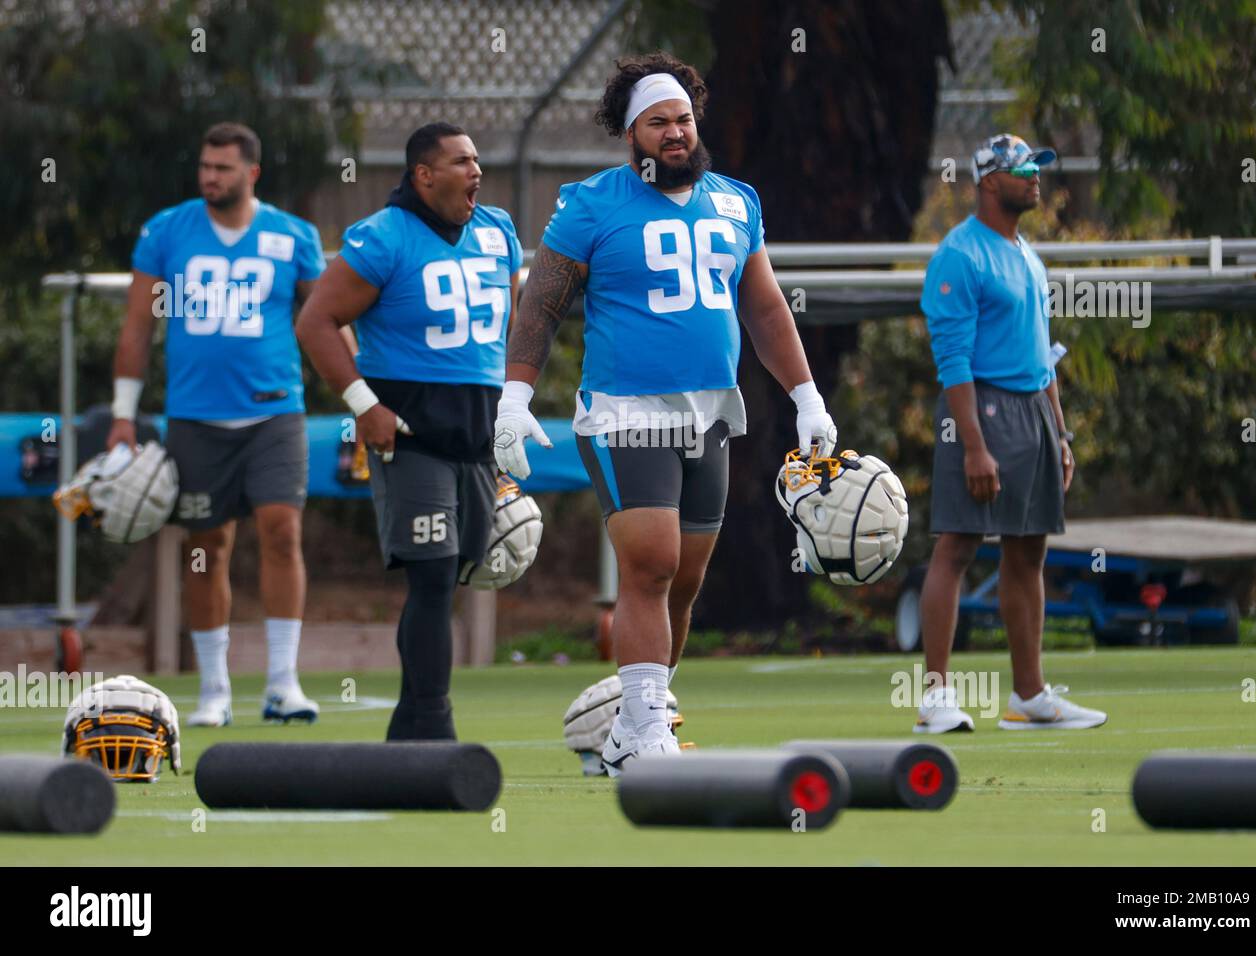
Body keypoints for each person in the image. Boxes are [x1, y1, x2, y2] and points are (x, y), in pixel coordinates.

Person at [492, 53, 837, 773]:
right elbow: (543, 301)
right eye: (659, 122)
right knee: (651, 564)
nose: (676, 133)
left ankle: (632, 726)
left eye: (683, 118)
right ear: (630, 134)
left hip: (708, 411)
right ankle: (647, 734)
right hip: (625, 409)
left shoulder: (737, 200)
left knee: (684, 582)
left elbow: (765, 305)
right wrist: (516, 394)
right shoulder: (592, 203)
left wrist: (806, 395)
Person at [296, 122, 521, 741]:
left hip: (475, 436)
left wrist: (511, 408)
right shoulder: (381, 238)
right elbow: (316, 321)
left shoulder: (497, 231)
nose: (476, 171)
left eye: (478, 159)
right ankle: (432, 723)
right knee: (431, 570)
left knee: (452, 575)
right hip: (410, 432)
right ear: (424, 175)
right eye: (460, 161)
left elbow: (509, 321)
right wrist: (363, 403)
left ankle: (406, 728)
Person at [108, 122, 326, 727]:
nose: (211, 176)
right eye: (205, 165)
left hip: (275, 411)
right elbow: (136, 328)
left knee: (283, 531)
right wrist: (124, 416)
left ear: (251, 173)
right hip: (196, 418)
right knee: (208, 547)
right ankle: (214, 689)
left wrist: (360, 402)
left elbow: (325, 321)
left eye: (223, 168)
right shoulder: (167, 231)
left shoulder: (291, 236)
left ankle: (283, 683)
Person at [916, 133, 1106, 732]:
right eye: (1024, 169)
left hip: (1032, 413)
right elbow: (952, 359)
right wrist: (973, 444)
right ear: (990, 180)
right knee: (957, 548)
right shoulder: (959, 255)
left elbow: (1042, 356)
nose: (1036, 178)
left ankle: (1029, 696)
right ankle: (935, 699)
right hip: (981, 412)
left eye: (1037, 168)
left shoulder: (1027, 253)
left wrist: (1061, 431)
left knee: (1029, 553)